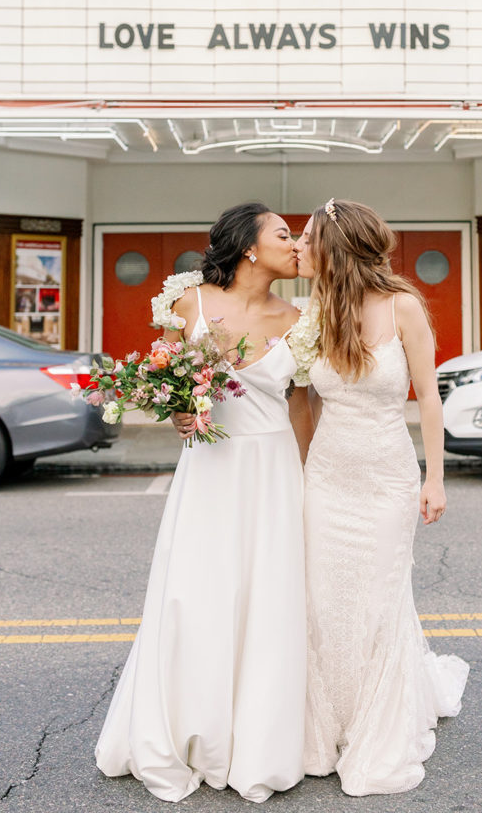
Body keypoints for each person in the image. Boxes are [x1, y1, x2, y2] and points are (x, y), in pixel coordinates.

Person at [95, 203, 313, 804]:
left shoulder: (299, 319)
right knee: (194, 594)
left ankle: (258, 745)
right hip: (209, 469)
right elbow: (166, 380)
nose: (295, 245)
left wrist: (307, 480)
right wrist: (178, 414)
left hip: (272, 472)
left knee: (266, 601)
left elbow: (301, 408)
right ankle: (186, 731)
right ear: (247, 246)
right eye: (284, 235)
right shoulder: (188, 303)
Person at [294, 199, 469, 796]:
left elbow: (428, 398)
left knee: (376, 597)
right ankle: (326, 728)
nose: (299, 247)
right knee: (323, 598)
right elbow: (308, 401)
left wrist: (435, 477)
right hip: (327, 476)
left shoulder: (404, 306)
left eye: (308, 238)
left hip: (388, 477)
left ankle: (377, 728)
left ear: (335, 249)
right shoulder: (315, 308)